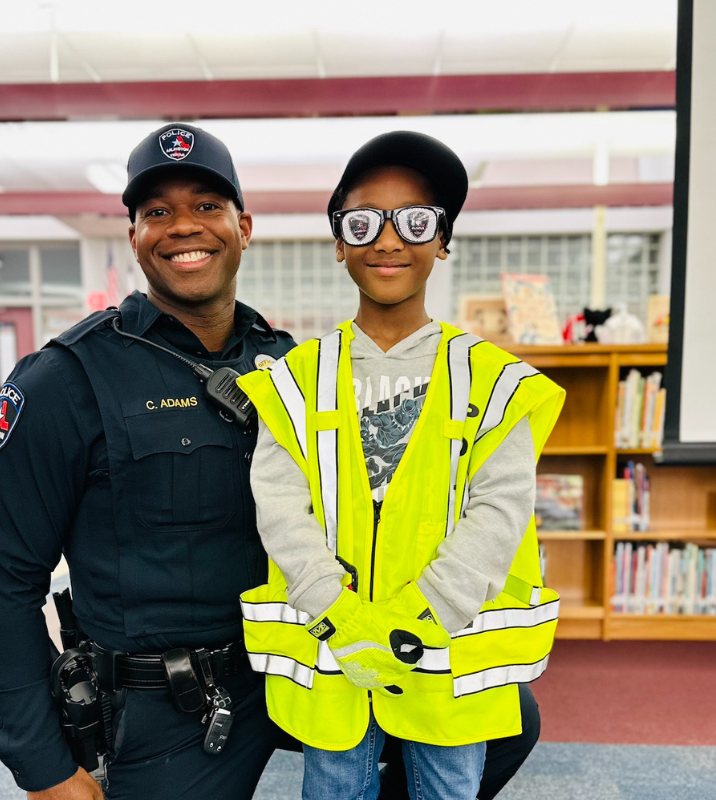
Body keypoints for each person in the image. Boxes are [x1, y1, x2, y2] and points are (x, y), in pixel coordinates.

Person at [0, 122, 544, 800]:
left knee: (508, 722)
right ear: (134, 236)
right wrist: (42, 764)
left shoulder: (291, 365)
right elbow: (4, 578)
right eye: (157, 212)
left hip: (301, 654)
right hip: (173, 708)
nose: (185, 226)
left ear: (243, 227)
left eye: (207, 206)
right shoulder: (65, 379)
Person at [238, 131, 565, 800]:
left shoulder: (494, 381)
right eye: (364, 222)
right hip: (334, 646)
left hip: (446, 652)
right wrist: (339, 614)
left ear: (442, 239)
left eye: (414, 221)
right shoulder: (295, 381)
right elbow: (279, 505)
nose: (388, 240)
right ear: (340, 241)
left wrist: (418, 618)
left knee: (448, 789)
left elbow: (499, 512)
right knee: (334, 785)